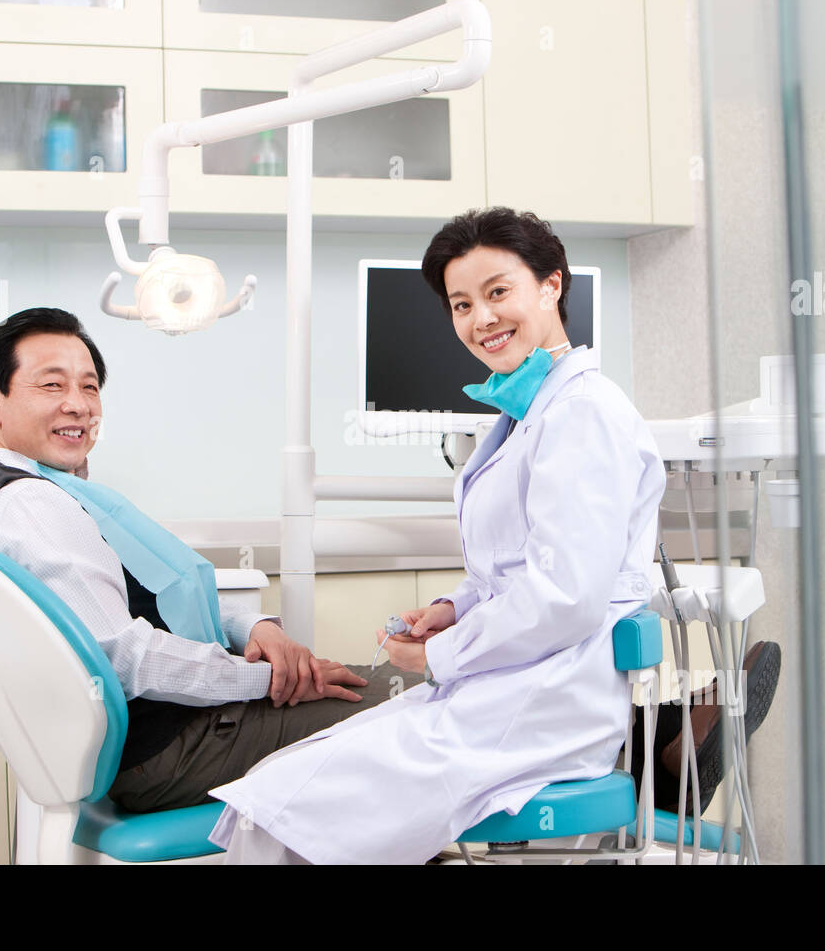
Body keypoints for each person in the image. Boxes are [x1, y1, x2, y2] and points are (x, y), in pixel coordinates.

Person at [206, 208, 668, 864]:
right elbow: (511, 572)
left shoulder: (582, 415)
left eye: (498, 292)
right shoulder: (524, 416)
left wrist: (442, 656)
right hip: (510, 690)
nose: (481, 319)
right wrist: (454, 609)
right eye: (461, 304)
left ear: (552, 286)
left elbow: (566, 595)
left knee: (280, 813)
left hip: (545, 704)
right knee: (279, 793)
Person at [0, 308, 423, 813]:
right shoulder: (33, 505)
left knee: (399, 704)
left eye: (89, 388)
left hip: (172, 739)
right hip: (172, 751)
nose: (78, 405)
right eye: (52, 386)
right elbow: (126, 658)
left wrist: (253, 627)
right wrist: (271, 680)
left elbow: (148, 598)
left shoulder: (35, 493)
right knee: (427, 704)